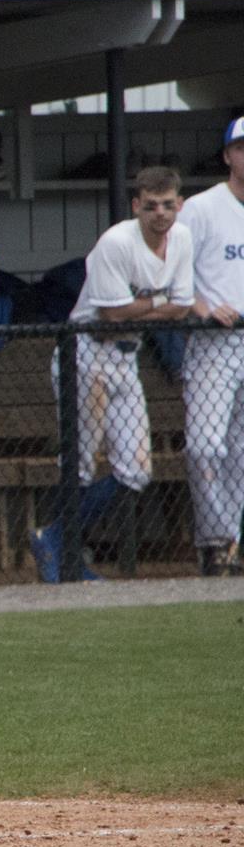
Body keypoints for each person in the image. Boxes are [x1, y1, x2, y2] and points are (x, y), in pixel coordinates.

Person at [32, 166, 196, 583]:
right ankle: (65, 553)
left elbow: (182, 305)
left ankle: (54, 536)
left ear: (179, 204)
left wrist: (149, 303)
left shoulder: (181, 238)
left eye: (168, 204)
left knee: (137, 470)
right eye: (152, 205)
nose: (161, 213)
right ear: (137, 205)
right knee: (81, 464)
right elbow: (111, 313)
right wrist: (159, 300)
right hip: (87, 354)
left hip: (127, 356)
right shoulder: (116, 242)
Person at [182, 118, 244, 576]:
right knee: (205, 445)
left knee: (241, 450)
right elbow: (174, 273)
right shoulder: (202, 208)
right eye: (241, 147)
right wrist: (202, 306)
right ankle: (214, 538)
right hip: (213, 342)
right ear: (227, 155)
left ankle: (228, 545)